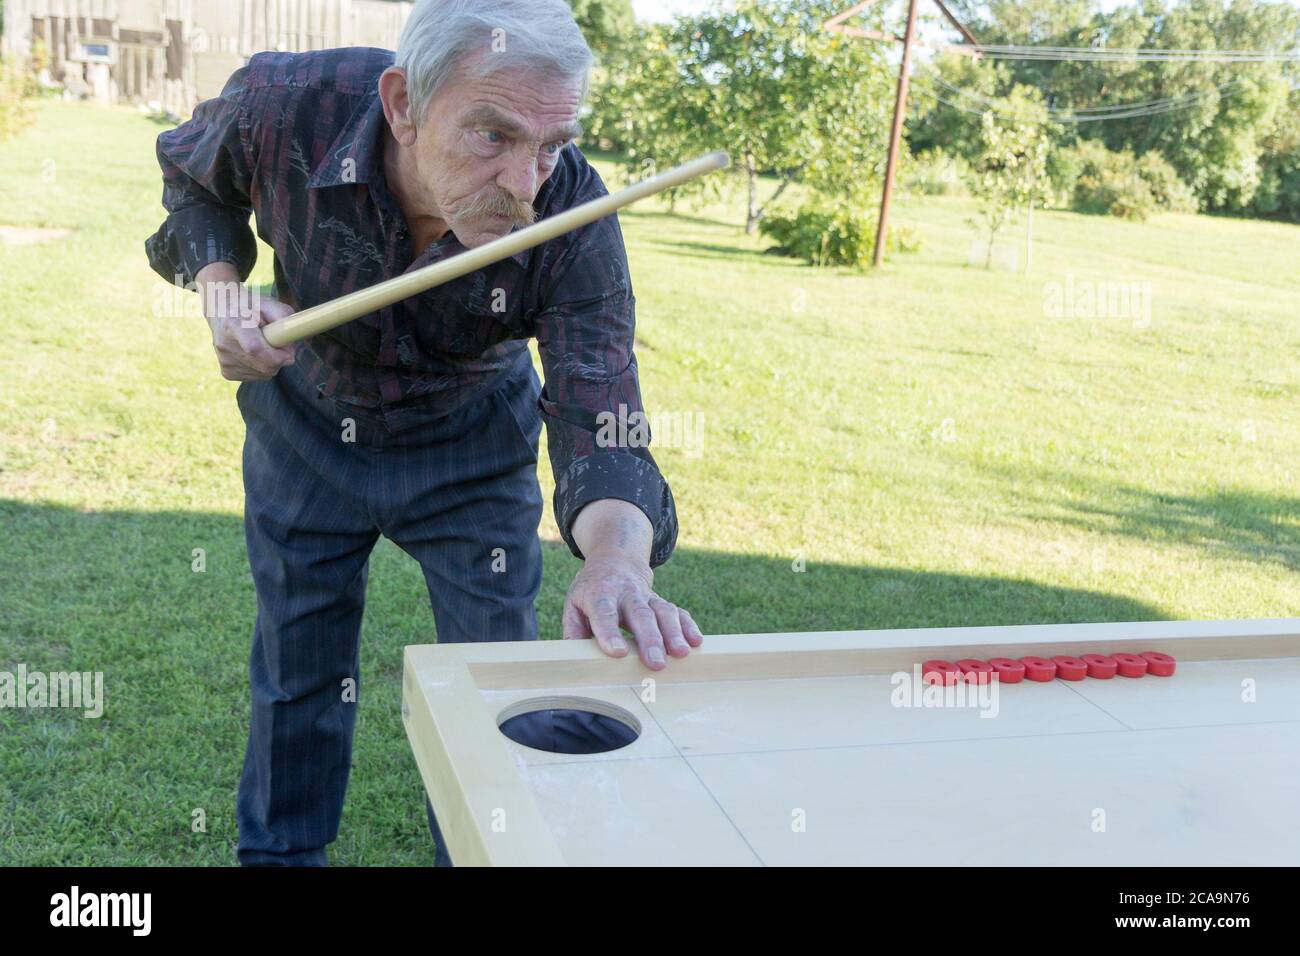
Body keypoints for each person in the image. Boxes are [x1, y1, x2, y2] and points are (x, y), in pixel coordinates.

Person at [145, 0, 704, 867]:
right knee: (298, 665)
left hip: (470, 442)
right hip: (305, 422)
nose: (527, 187)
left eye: (550, 144)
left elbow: (602, 406)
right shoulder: (289, 103)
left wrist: (618, 559)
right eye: (493, 136)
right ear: (404, 104)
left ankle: (487, 854)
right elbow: (192, 181)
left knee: (496, 684)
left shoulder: (572, 211)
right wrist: (223, 291)